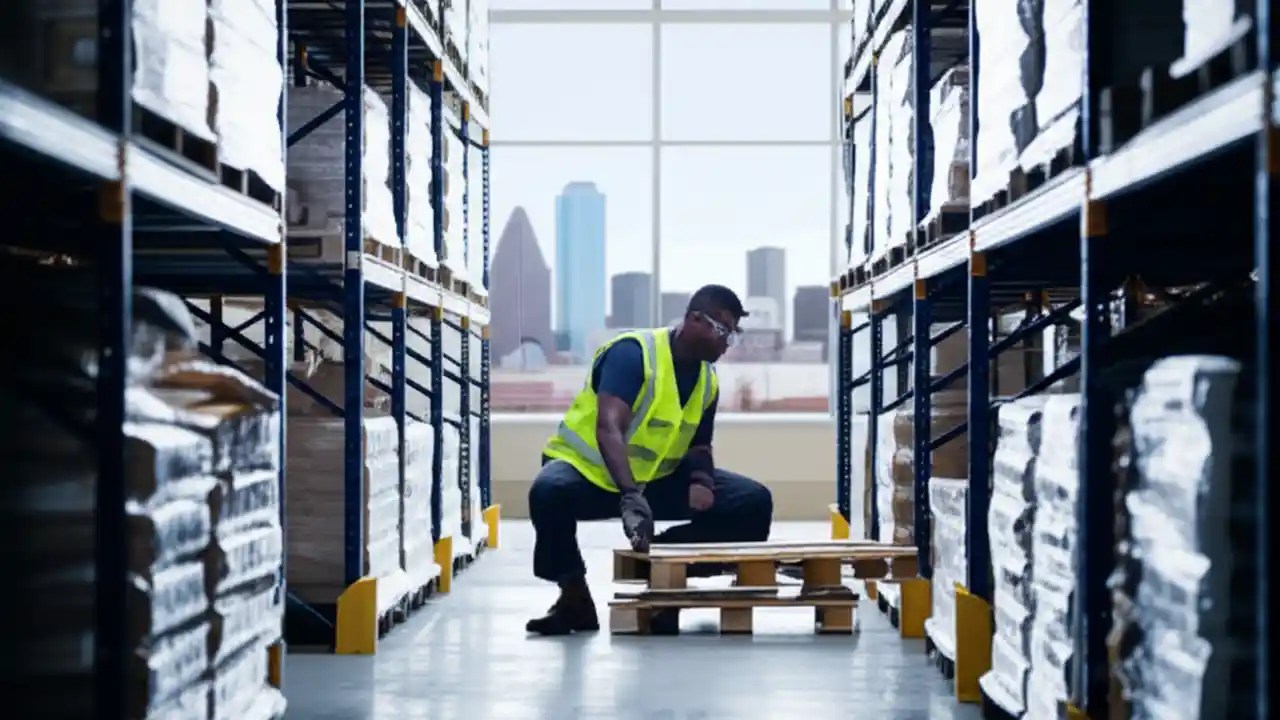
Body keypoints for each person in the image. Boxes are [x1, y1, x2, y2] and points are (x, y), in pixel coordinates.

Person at [526, 284, 774, 636]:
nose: (725, 342)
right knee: (547, 492)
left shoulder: (707, 381)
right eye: (721, 329)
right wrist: (629, 495)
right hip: (592, 475)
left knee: (752, 502)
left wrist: (701, 482)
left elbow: (700, 444)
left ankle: (662, 567)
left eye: (731, 334)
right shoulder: (633, 354)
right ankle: (574, 599)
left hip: (655, 480)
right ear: (692, 319)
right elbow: (608, 427)